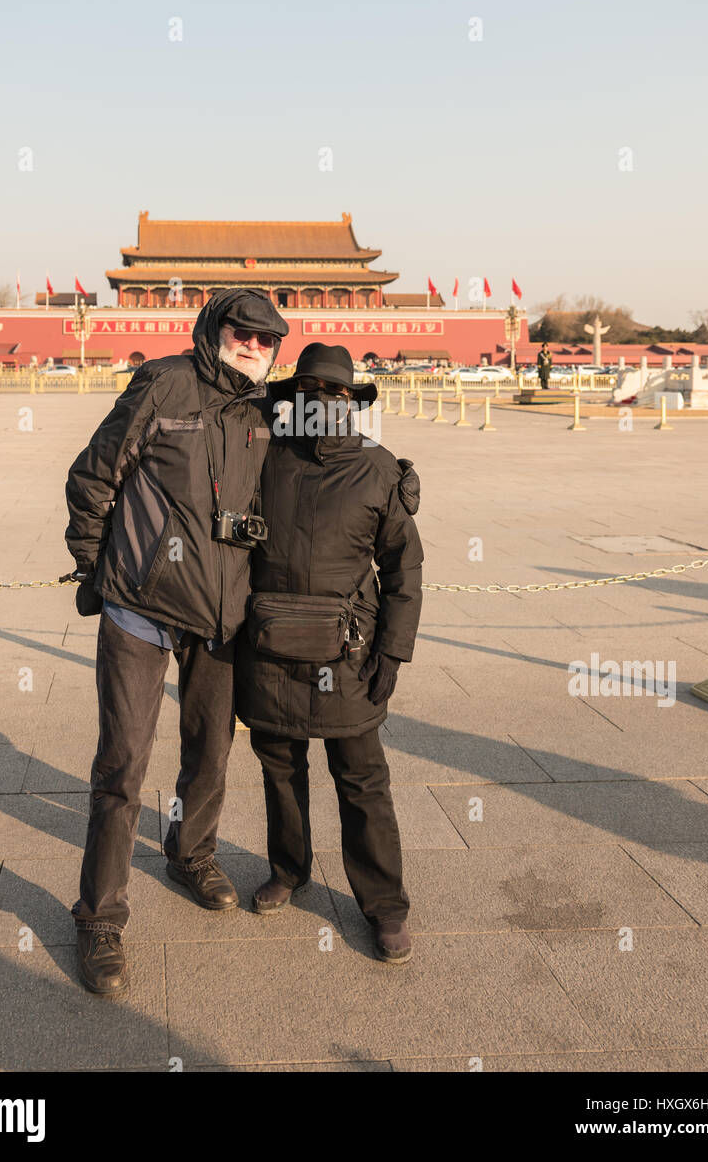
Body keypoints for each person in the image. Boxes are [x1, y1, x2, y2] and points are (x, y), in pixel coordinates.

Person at [64, 289, 289, 995]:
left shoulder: (265, 411)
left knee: (211, 753)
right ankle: (100, 916)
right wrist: (96, 565)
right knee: (123, 764)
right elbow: (94, 474)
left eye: (266, 339)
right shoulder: (165, 382)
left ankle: (190, 854)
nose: (252, 345)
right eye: (241, 331)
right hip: (140, 604)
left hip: (220, 616)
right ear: (213, 329)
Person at [235, 343, 424, 964]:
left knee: (363, 780)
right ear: (294, 397)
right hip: (270, 649)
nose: (323, 401)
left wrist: (392, 653)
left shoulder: (378, 470)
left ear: (353, 402)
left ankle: (385, 905)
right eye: (310, 389)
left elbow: (404, 569)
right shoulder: (266, 459)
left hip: (349, 656)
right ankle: (289, 870)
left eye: (336, 393)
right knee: (280, 770)